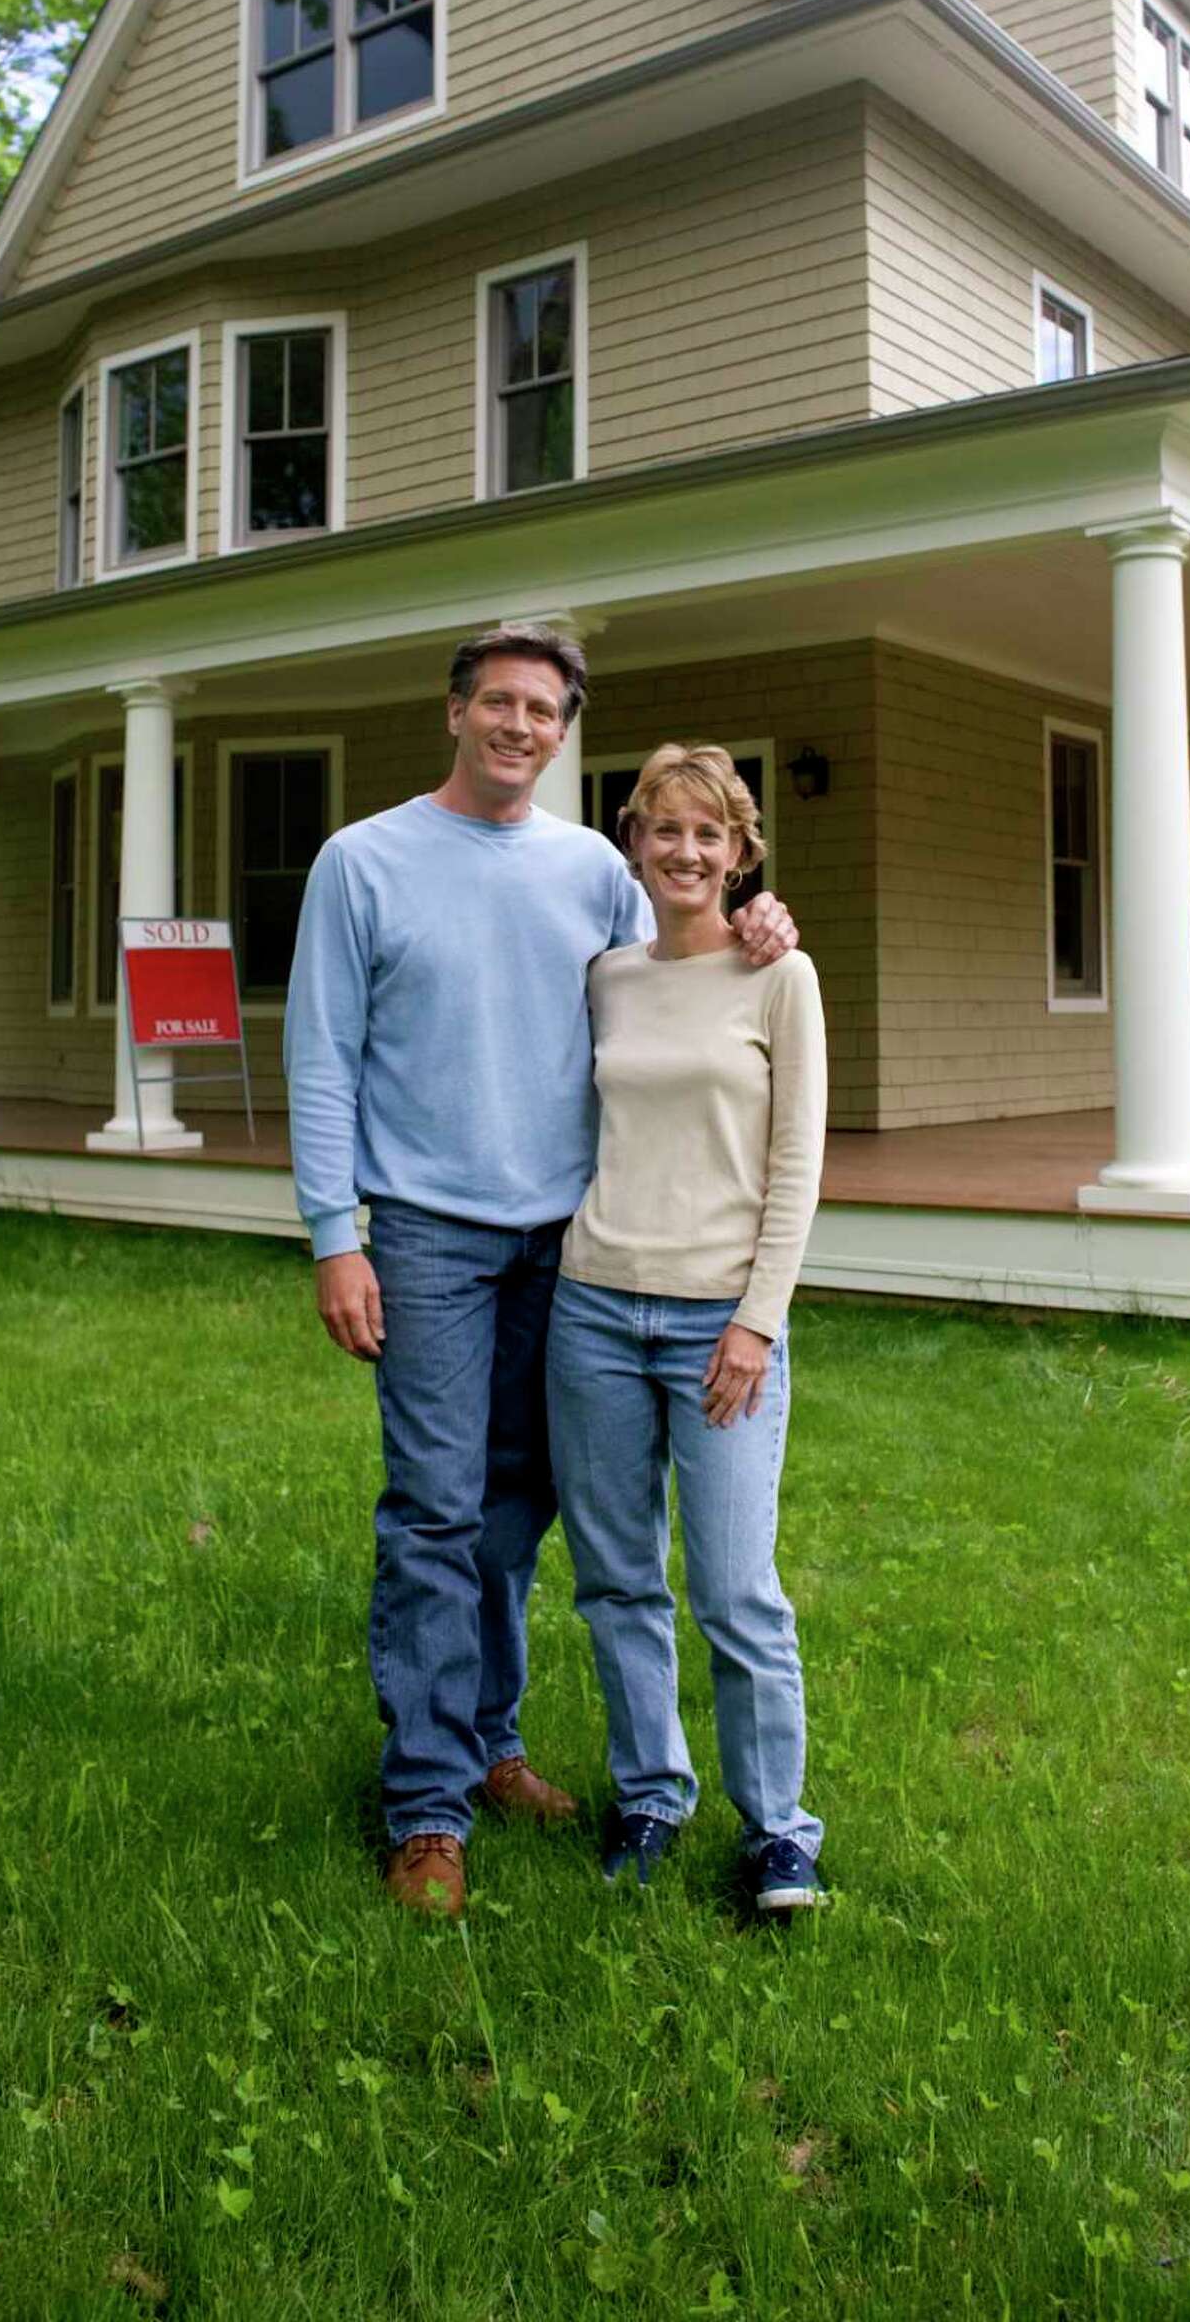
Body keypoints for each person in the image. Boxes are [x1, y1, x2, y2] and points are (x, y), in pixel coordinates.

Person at [282, 627, 796, 1918]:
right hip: (427, 1235)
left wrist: (758, 921)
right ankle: (425, 1807)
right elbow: (322, 1056)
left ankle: (492, 1743)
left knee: (519, 1513)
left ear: (564, 733)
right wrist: (333, 1233)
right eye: (499, 702)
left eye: (544, 710)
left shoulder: (595, 875)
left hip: (567, 1246)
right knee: (437, 1512)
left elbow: (681, 971)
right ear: (455, 713)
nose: (520, 725)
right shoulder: (364, 863)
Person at [546, 742, 828, 1913]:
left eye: (710, 834)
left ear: (741, 852)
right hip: (597, 1309)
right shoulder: (608, 975)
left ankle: (778, 1832)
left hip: (722, 1322)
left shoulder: (781, 978)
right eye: (666, 829)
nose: (687, 851)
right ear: (636, 842)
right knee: (616, 1581)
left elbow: (797, 1160)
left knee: (732, 1586)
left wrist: (757, 1323)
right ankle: (653, 1794)